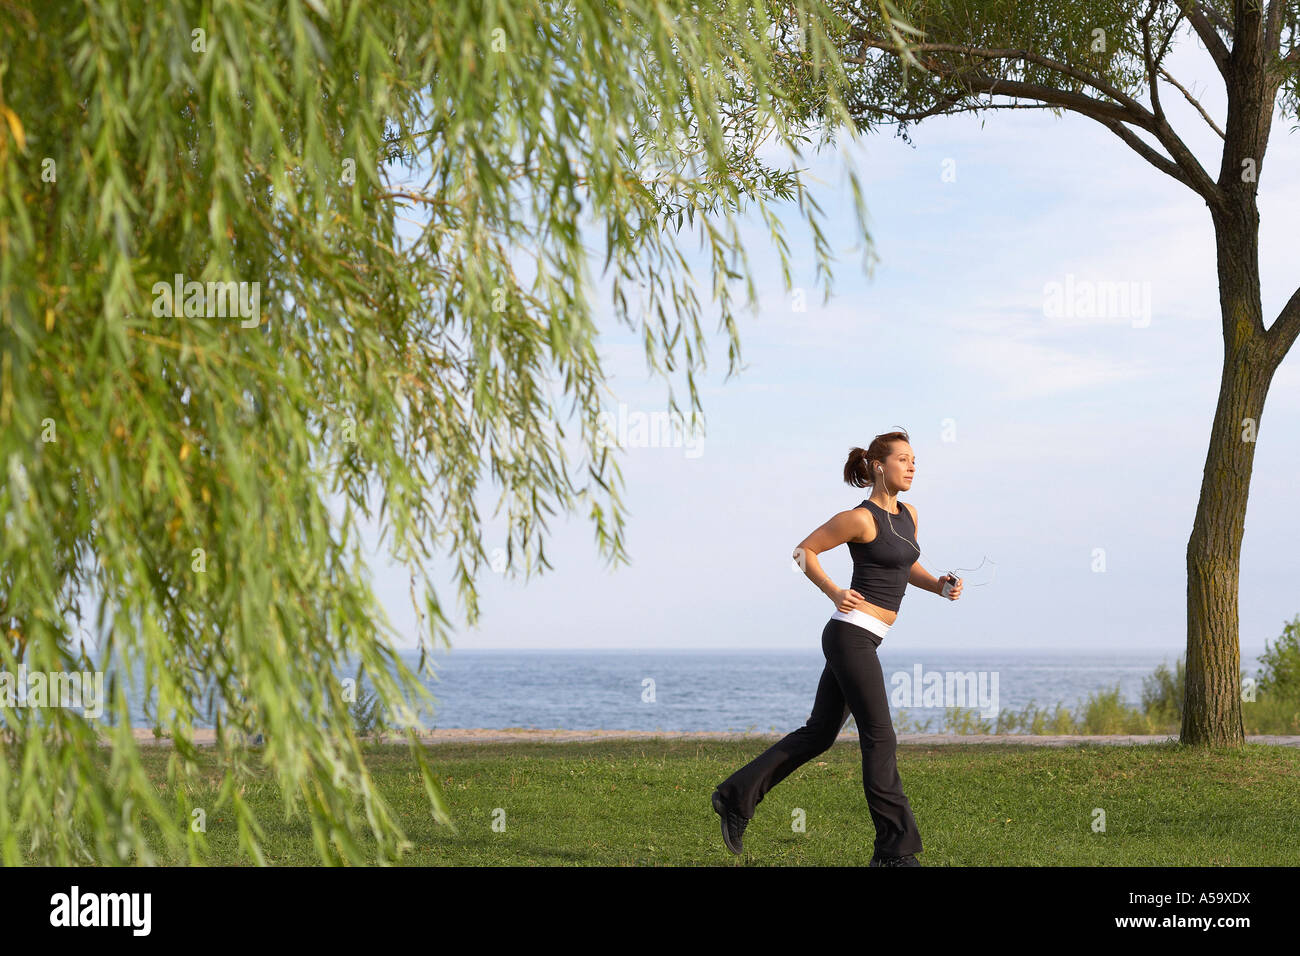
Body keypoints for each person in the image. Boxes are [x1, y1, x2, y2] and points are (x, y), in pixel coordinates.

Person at [711, 428, 962, 865]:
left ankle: (735, 796)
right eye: (904, 459)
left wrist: (938, 586)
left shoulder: (910, 515)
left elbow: (906, 565)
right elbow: (804, 551)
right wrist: (832, 591)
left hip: (866, 639)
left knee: (819, 734)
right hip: (849, 636)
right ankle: (894, 851)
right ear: (879, 467)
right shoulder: (859, 518)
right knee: (880, 737)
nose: (913, 466)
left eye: (914, 459)